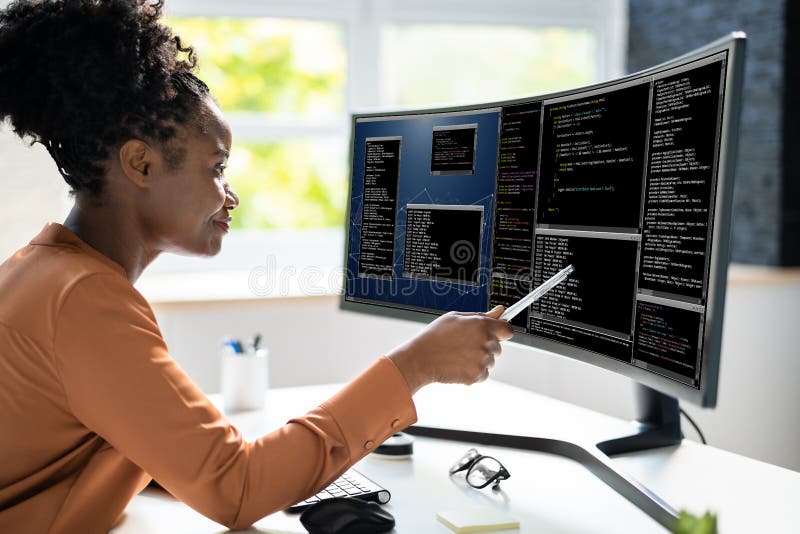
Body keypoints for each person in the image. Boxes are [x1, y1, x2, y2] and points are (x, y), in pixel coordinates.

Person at [0, 1, 514, 532]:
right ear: (141, 163)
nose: (231, 195)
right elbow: (237, 489)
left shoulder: (41, 272)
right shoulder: (82, 300)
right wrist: (415, 366)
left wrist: (189, 455)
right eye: (217, 167)